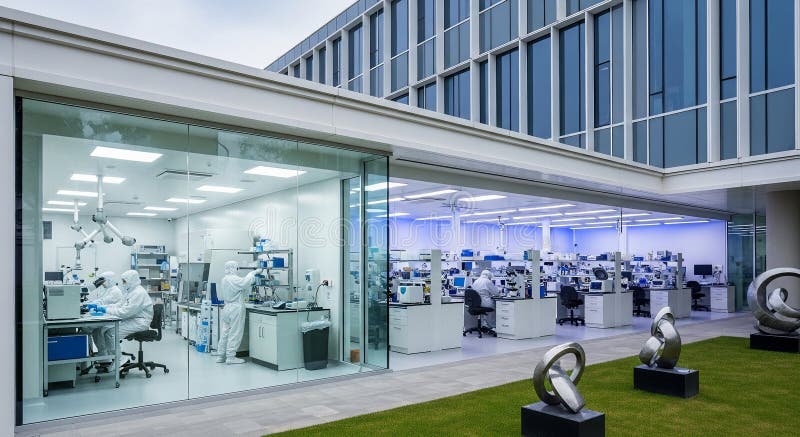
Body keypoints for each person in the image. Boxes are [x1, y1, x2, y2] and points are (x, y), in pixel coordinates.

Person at [91, 270, 154, 359]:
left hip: (140, 322)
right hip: (132, 319)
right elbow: (119, 305)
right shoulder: (130, 291)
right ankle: (108, 357)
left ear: (131, 280)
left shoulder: (138, 293)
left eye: (124, 281)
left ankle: (117, 360)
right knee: (103, 329)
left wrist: (104, 310)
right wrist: (103, 307)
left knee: (111, 333)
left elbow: (124, 312)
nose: (123, 283)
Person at [213, 261, 261, 364]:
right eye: (236, 268)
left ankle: (220, 356)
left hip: (226, 308)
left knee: (225, 332)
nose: (237, 270)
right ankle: (230, 357)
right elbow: (245, 282)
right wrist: (253, 273)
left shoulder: (224, 279)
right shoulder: (234, 279)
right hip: (235, 308)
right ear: (233, 268)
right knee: (235, 332)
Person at [85, 271, 123, 358]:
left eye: (103, 282)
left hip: (113, 318)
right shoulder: (107, 290)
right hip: (107, 316)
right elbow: (101, 300)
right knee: (96, 331)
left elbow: (103, 301)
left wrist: (90, 305)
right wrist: (89, 303)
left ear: (109, 280)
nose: (101, 284)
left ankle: (112, 358)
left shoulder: (115, 291)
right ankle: (103, 356)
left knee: (87, 327)